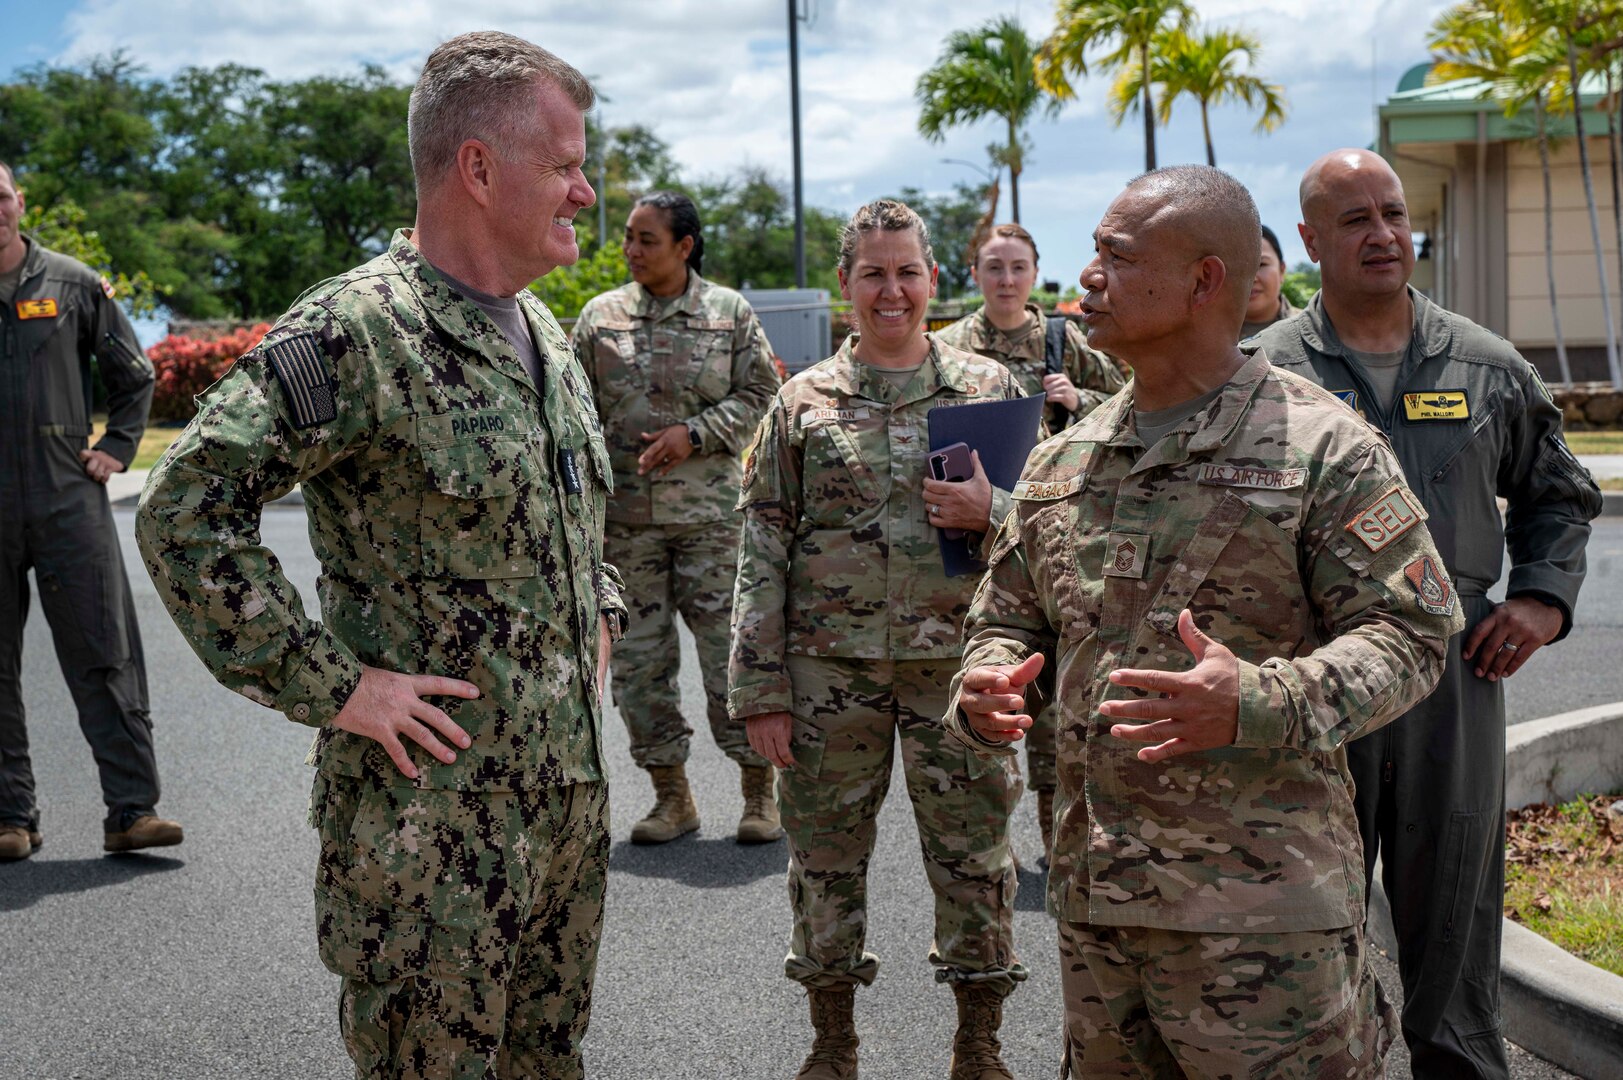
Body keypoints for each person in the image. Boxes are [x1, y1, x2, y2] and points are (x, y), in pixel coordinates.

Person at [136, 33, 624, 1079]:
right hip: (429, 849)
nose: (585, 191)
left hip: (566, 817)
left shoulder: (549, 337)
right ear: (479, 168)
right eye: (567, 164)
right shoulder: (362, 332)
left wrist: (605, 612)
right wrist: (339, 687)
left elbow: (572, 522)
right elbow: (184, 512)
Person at [948, 165, 1465, 1077]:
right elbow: (1006, 616)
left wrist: (1257, 701)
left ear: (1203, 280)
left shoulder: (1323, 448)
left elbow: (1413, 634)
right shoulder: (1064, 458)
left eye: (1116, 254)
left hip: (1265, 920)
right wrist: (984, 682)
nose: (1088, 277)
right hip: (1097, 903)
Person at [1253, 148, 1603, 1079]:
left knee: (1453, 918)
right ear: (1309, 241)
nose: (1382, 234)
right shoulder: (1259, 374)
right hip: (1310, 684)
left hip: (1452, 679)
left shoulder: (1484, 365)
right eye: (1356, 219)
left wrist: (1538, 598)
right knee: (1298, 924)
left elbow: (1558, 494)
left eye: (1393, 213)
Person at [730, 199, 1027, 1080]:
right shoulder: (801, 400)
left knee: (974, 861)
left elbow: (1048, 535)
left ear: (933, 279)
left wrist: (994, 510)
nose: (890, 290)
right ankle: (833, 1043)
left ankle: (978, 1044)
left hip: (960, 674)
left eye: (906, 271)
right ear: (845, 284)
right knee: (823, 863)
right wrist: (760, 690)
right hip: (828, 678)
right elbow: (761, 545)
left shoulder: (989, 393)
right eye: (872, 272)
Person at [572, 191, 781, 846]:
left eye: (646, 239)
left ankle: (758, 793)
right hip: (625, 527)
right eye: (628, 238)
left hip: (711, 522)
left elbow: (763, 394)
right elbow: (571, 411)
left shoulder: (729, 313)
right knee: (638, 664)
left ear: (684, 246)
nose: (632, 250)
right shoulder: (598, 317)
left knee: (730, 658)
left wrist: (696, 432)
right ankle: (672, 798)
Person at [0, 161, 183, 861]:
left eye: (0, 197)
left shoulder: (73, 284)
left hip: (66, 496)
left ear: (20, 202)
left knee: (103, 649)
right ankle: (10, 819)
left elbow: (132, 375)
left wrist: (119, 446)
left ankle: (132, 810)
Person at [935, 223, 1126, 867]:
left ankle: (1057, 845)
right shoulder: (950, 347)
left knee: (1051, 710)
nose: (1007, 280)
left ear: (1035, 271)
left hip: (1053, 528)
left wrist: (1081, 396)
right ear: (976, 274)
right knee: (990, 690)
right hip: (969, 538)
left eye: (1019, 268)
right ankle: (996, 844)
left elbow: (1135, 399)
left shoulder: (1063, 338)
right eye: (994, 268)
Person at [1240, 224, 1298, 338]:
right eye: (1240, 268)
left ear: (1282, 270)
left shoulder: (1314, 329)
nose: (1252, 279)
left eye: (1262, 264)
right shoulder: (1206, 337)